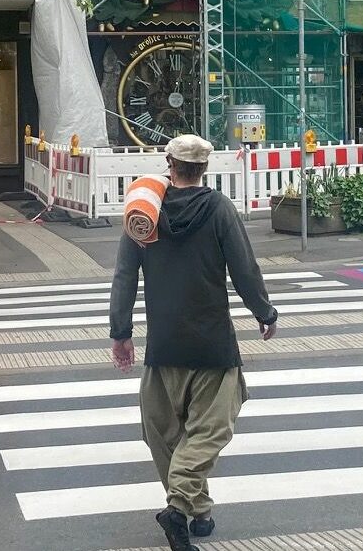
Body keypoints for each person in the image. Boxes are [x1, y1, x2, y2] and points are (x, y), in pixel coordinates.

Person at [110, 134, 278, 551]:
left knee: (164, 434)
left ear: (169, 162)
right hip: (212, 343)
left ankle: (195, 513)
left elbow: (125, 276)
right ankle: (180, 505)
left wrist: (121, 333)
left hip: (164, 344)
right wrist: (264, 312)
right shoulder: (219, 208)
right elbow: (244, 268)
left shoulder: (143, 211)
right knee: (210, 430)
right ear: (206, 168)